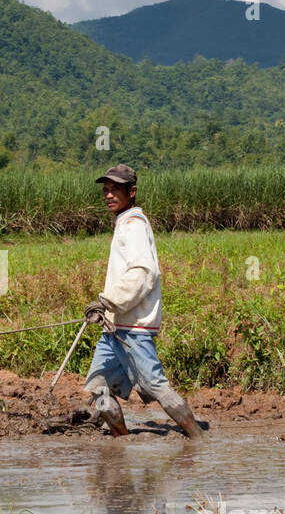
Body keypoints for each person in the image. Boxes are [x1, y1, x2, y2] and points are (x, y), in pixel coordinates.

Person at [84, 164, 205, 439]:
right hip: (115, 326)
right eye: (106, 190)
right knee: (99, 387)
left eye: (116, 190)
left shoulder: (135, 225)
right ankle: (121, 443)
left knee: (154, 385)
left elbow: (143, 273)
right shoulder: (124, 223)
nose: (109, 195)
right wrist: (108, 307)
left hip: (133, 327)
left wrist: (107, 301)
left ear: (132, 192)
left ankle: (198, 438)